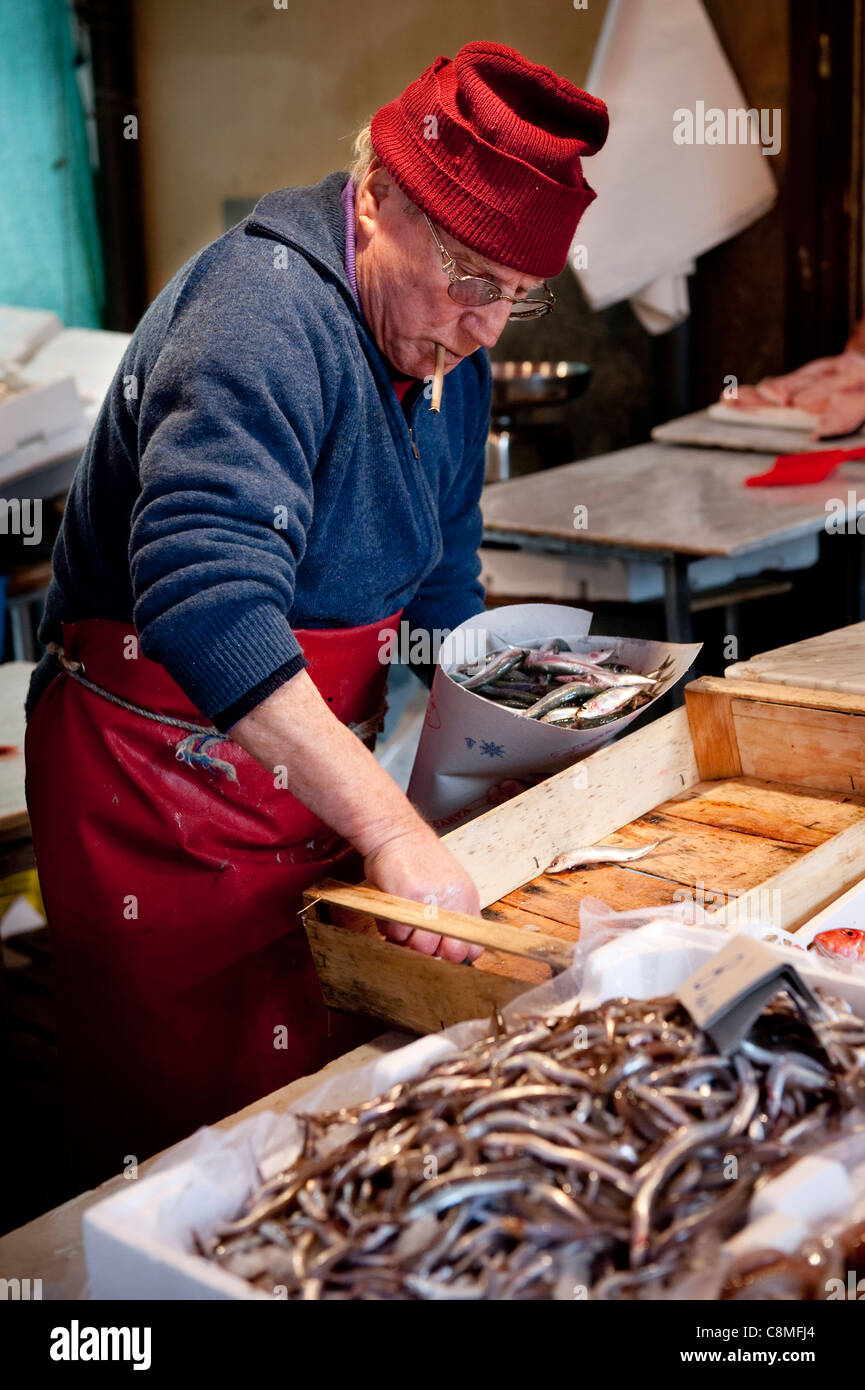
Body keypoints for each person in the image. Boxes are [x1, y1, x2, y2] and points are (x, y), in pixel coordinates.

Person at [24, 40, 608, 1182]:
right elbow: (201, 602)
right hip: (153, 787)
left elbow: (443, 580)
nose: (485, 324)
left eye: (518, 297)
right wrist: (392, 827)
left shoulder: (451, 341)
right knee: (191, 1156)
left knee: (324, 1118)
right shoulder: (260, 312)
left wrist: (479, 766)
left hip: (311, 777)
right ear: (378, 194)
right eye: (466, 278)